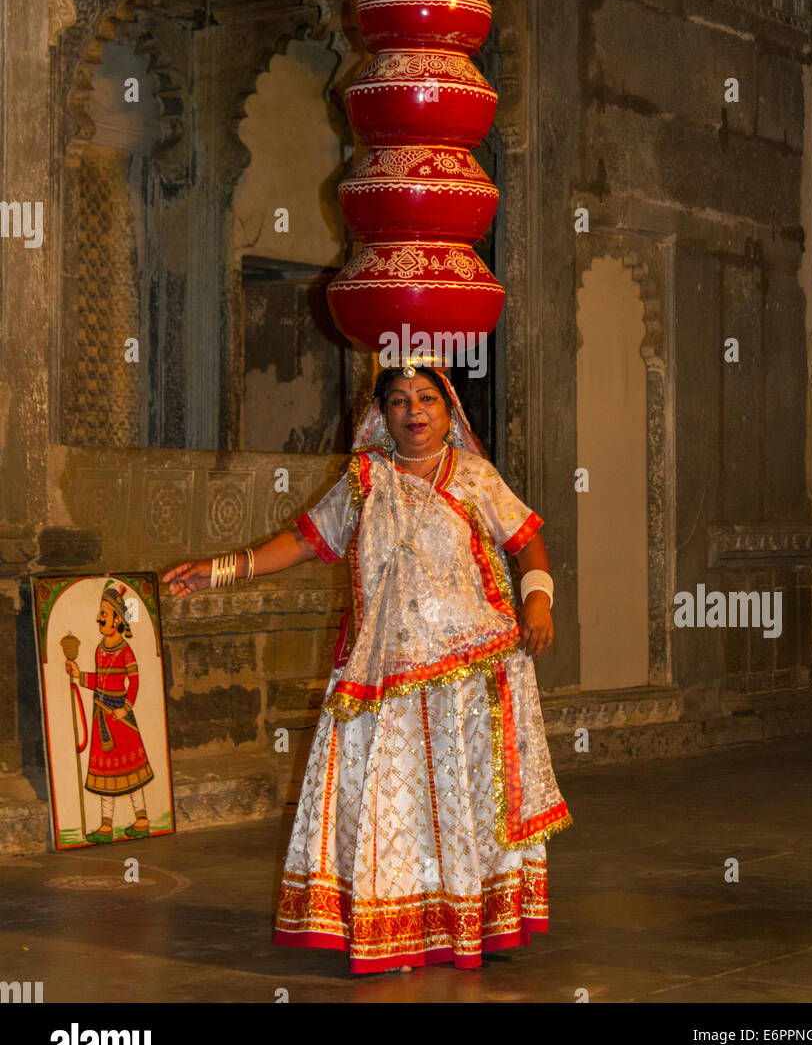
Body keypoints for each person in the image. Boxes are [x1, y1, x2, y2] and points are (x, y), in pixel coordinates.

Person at [163, 366, 571, 972]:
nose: (415, 411)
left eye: (428, 398)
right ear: (382, 414)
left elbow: (525, 539)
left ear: (447, 409)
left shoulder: (475, 476)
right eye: (401, 400)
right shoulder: (363, 479)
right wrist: (219, 570)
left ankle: (474, 923)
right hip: (384, 671)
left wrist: (538, 596)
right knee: (389, 803)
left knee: (467, 802)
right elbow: (303, 543)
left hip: (471, 670)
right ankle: (397, 929)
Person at [65, 579, 154, 842]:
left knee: (132, 772)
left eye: (103, 614)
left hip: (119, 715)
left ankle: (142, 819)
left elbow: (134, 682)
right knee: (104, 772)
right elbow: (100, 681)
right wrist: (80, 675)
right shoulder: (99, 649)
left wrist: (125, 708)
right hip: (101, 714)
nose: (98, 618)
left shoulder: (125, 651)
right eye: (99, 613)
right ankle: (106, 826)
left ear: (116, 620)